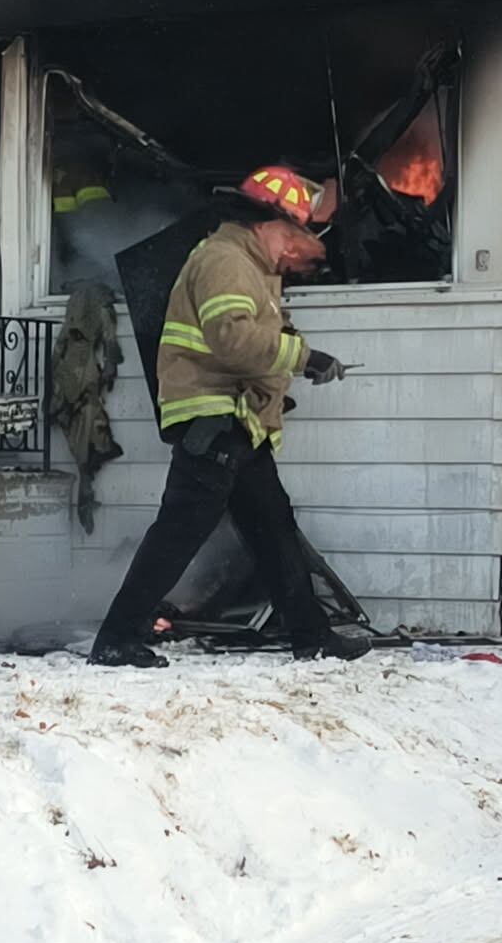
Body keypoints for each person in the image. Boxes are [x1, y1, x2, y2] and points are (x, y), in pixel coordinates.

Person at [90, 166, 371, 669]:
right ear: (261, 224)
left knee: (274, 530)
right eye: (288, 233)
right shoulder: (226, 260)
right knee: (180, 532)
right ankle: (116, 637)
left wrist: (276, 386)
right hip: (213, 417)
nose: (292, 248)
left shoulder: (253, 269)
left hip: (239, 419)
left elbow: (251, 346)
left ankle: (311, 637)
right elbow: (233, 340)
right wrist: (305, 358)